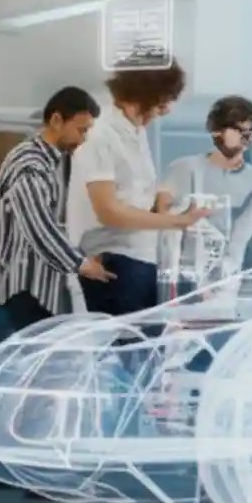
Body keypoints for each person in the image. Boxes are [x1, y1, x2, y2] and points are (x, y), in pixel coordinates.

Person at [66, 61, 208, 316]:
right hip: (115, 260)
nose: (165, 110)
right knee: (125, 351)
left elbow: (132, 197)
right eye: (164, 100)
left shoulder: (136, 132)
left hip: (142, 257)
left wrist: (163, 201)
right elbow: (109, 210)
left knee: (149, 349)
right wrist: (174, 221)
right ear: (145, 94)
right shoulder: (100, 135)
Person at [0, 86, 113, 331]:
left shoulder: (55, 162)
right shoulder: (29, 164)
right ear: (57, 120)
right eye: (81, 130)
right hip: (28, 287)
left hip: (44, 287)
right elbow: (38, 226)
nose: (83, 139)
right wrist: (81, 264)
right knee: (34, 362)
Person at [155, 95, 252, 289]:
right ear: (216, 131)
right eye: (237, 129)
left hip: (224, 282)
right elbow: (161, 223)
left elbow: (241, 239)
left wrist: (220, 277)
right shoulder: (183, 169)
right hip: (176, 279)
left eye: (250, 129)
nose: (246, 135)